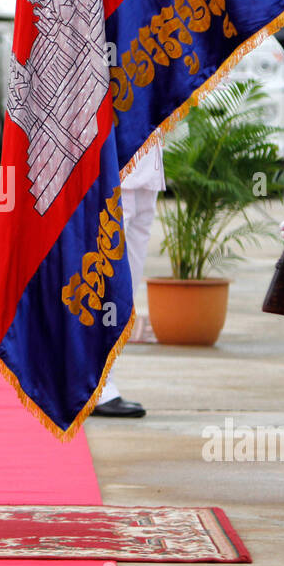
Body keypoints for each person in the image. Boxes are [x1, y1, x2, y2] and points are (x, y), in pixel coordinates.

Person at [91, 142, 161, 418]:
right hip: (115, 161)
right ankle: (96, 384)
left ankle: (104, 378)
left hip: (147, 161)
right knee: (108, 280)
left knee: (126, 286)